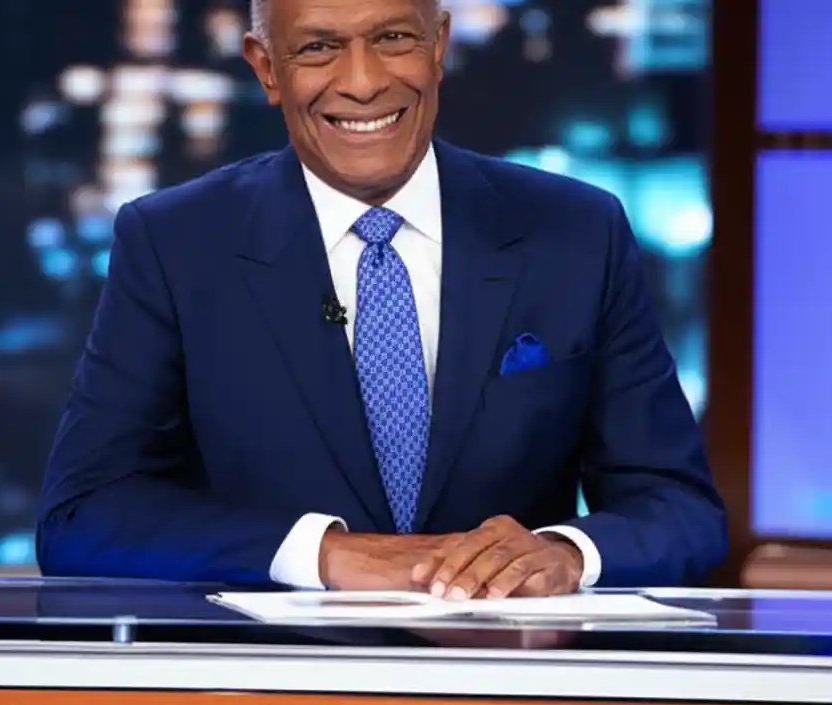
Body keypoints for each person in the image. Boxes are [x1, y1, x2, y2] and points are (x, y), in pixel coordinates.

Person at [36, 0, 727, 598]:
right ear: (266, 67)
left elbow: (680, 509)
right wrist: (325, 555)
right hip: (262, 687)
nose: (363, 82)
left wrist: (566, 555)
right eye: (318, 48)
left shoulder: (575, 231)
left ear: (439, 46)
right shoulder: (176, 242)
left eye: (393, 38)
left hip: (507, 684)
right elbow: (84, 515)